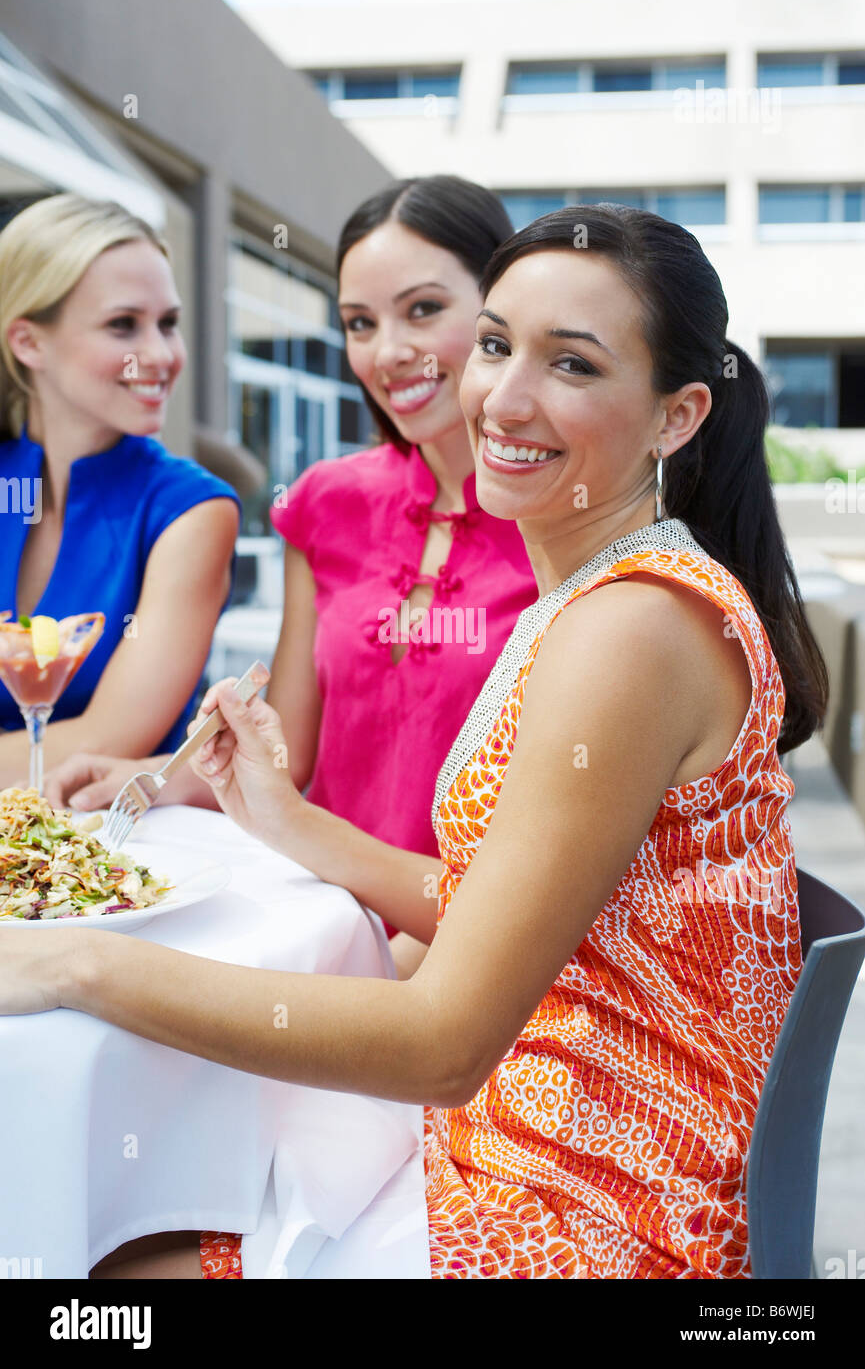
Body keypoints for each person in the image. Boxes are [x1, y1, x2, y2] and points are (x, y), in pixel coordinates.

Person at [0, 202, 828, 1279]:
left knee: (90, 1257)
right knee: (128, 1201)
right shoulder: (602, 596)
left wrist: (70, 958)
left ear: (676, 417)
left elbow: (442, 1043)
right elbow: (511, 915)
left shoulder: (631, 628)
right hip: (534, 1129)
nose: (503, 397)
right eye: (495, 345)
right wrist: (287, 820)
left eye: (569, 365)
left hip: (596, 1205)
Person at [44, 176, 539, 969]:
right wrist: (146, 777)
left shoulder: (562, 526)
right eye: (357, 323)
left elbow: (545, 878)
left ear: (499, 307)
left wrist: (395, 968)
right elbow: (291, 756)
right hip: (326, 922)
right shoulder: (327, 503)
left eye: (421, 310)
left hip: (479, 955)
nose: (386, 352)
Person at [0, 194, 240, 786]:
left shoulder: (191, 510)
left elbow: (102, 742)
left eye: (168, 324)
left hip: (113, 863)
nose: (159, 355)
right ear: (28, 342)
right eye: (122, 324)